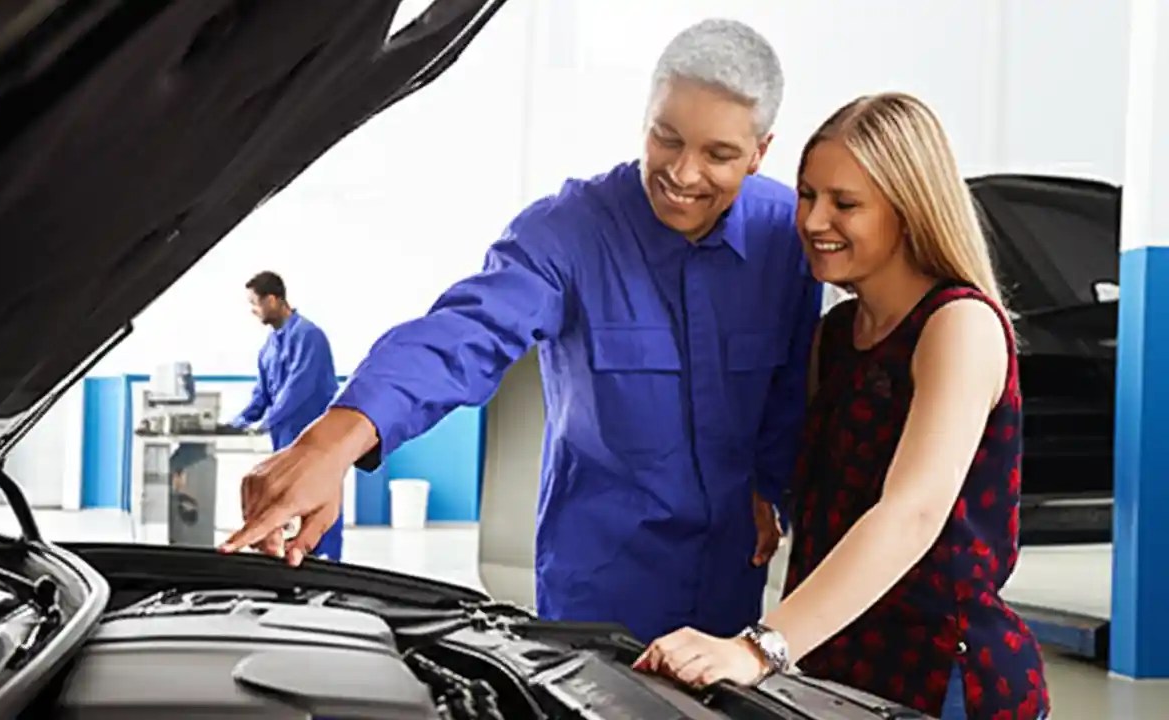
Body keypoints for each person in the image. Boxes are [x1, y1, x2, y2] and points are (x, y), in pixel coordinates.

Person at [219, 18, 822, 645]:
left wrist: (769, 483)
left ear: (760, 151)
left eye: (719, 154)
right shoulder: (568, 232)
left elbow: (791, 379)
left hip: (730, 581)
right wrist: (330, 444)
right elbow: (463, 335)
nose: (684, 173)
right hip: (602, 585)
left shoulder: (786, 237)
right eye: (666, 138)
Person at [634, 93, 1050, 720]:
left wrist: (760, 648)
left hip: (945, 680)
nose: (813, 220)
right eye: (807, 196)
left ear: (909, 209)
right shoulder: (837, 334)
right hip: (840, 671)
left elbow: (911, 513)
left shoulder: (958, 324)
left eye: (845, 203)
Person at [230, 271, 343, 560]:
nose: (252, 311)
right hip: (284, 442)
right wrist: (237, 422)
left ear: (272, 300)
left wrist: (267, 421)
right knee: (286, 504)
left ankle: (327, 564)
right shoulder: (268, 348)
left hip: (316, 441)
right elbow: (262, 394)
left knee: (318, 504)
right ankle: (292, 560)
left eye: (255, 303)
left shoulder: (309, 336)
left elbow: (298, 386)